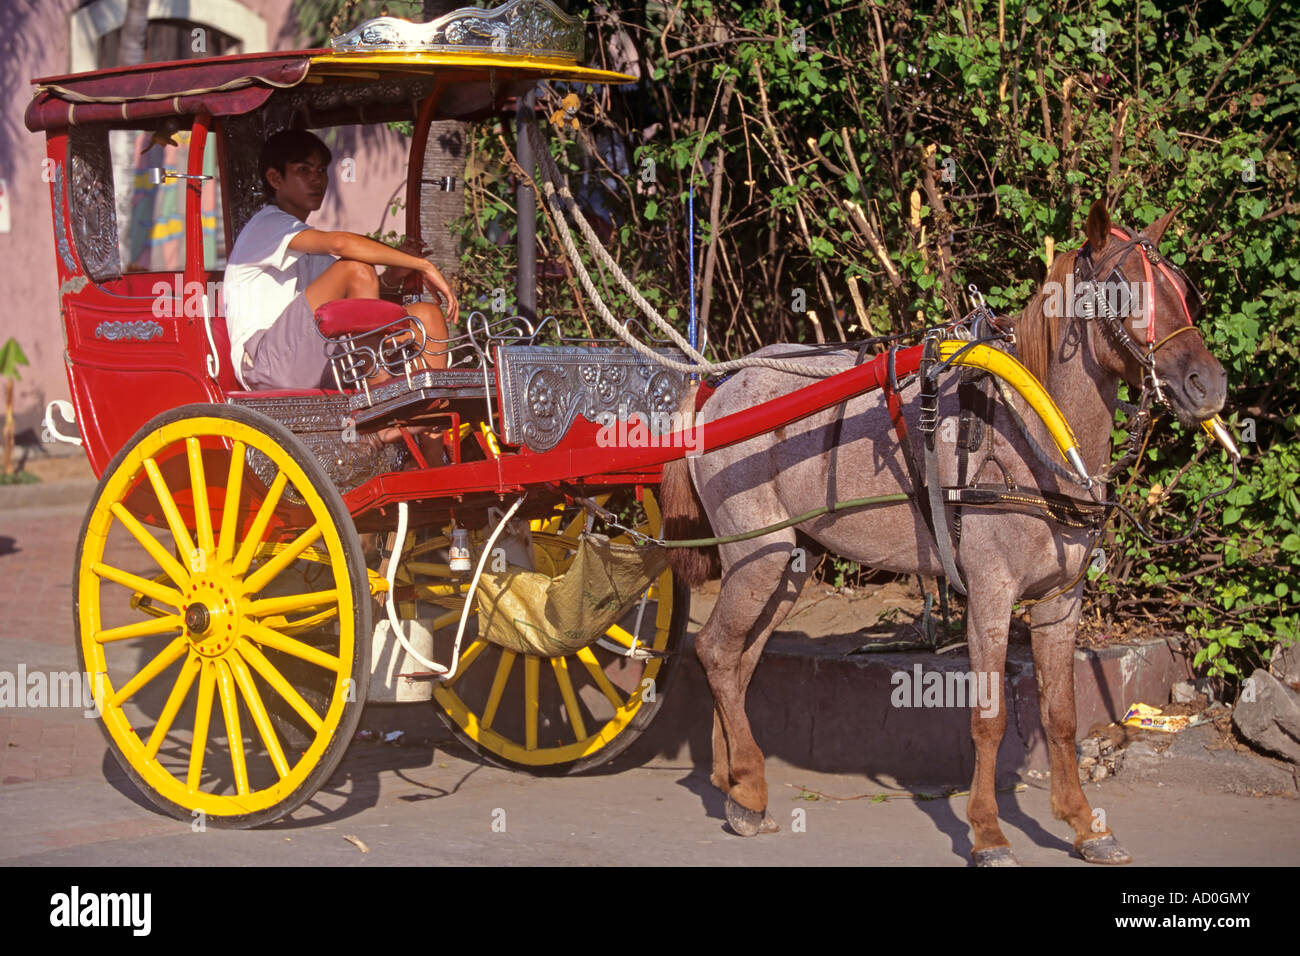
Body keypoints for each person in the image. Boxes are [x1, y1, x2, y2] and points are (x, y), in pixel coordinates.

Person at [224, 128, 458, 392]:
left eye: (321, 171)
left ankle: (433, 419)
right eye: (304, 170)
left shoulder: (312, 245)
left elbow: (359, 299)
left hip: (320, 354)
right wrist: (421, 264)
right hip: (267, 366)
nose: (317, 180)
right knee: (356, 268)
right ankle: (380, 402)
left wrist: (393, 276)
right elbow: (342, 245)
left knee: (426, 315)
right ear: (275, 178)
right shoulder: (267, 224)